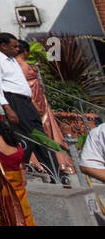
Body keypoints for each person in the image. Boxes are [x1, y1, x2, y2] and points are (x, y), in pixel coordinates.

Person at [0, 33, 61, 183]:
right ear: (3, 46)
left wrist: (32, 103)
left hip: (25, 102)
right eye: (14, 46)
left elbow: (21, 84)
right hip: (13, 101)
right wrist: (7, 108)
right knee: (28, 137)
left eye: (18, 46)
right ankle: (14, 171)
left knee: (40, 136)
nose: (17, 49)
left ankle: (56, 174)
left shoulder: (12, 60)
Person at [14, 40, 75, 179]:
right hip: (32, 104)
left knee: (41, 134)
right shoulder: (19, 67)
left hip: (37, 102)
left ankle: (52, 166)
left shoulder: (16, 66)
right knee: (38, 135)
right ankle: (45, 165)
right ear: (25, 51)